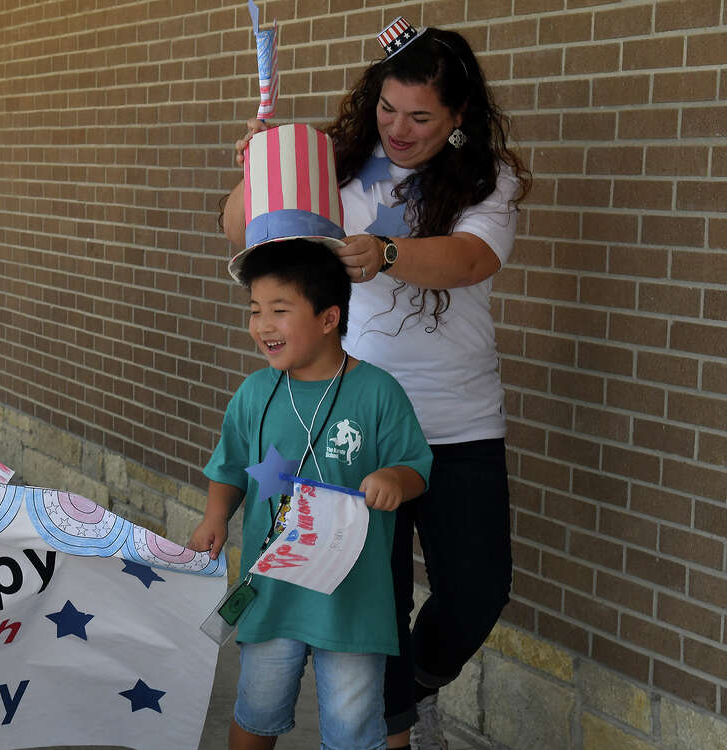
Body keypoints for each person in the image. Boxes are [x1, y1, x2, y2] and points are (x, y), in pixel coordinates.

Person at [222, 19, 531, 750]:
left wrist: (387, 251)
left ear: (459, 117)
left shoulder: (490, 179)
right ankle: (393, 729)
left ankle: (415, 688)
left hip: (457, 421)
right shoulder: (334, 161)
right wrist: (256, 167)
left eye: (422, 116)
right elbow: (246, 232)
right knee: (377, 603)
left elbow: (469, 261)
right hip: (352, 417)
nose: (399, 128)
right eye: (389, 109)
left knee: (477, 591)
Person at [190, 230, 432, 749]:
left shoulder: (378, 392)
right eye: (255, 310)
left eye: (279, 310)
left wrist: (395, 480)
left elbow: (416, 465)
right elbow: (229, 466)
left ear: (329, 318)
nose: (262, 326)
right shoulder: (254, 392)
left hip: (352, 598)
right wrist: (215, 517)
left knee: (352, 727)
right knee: (255, 710)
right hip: (270, 592)